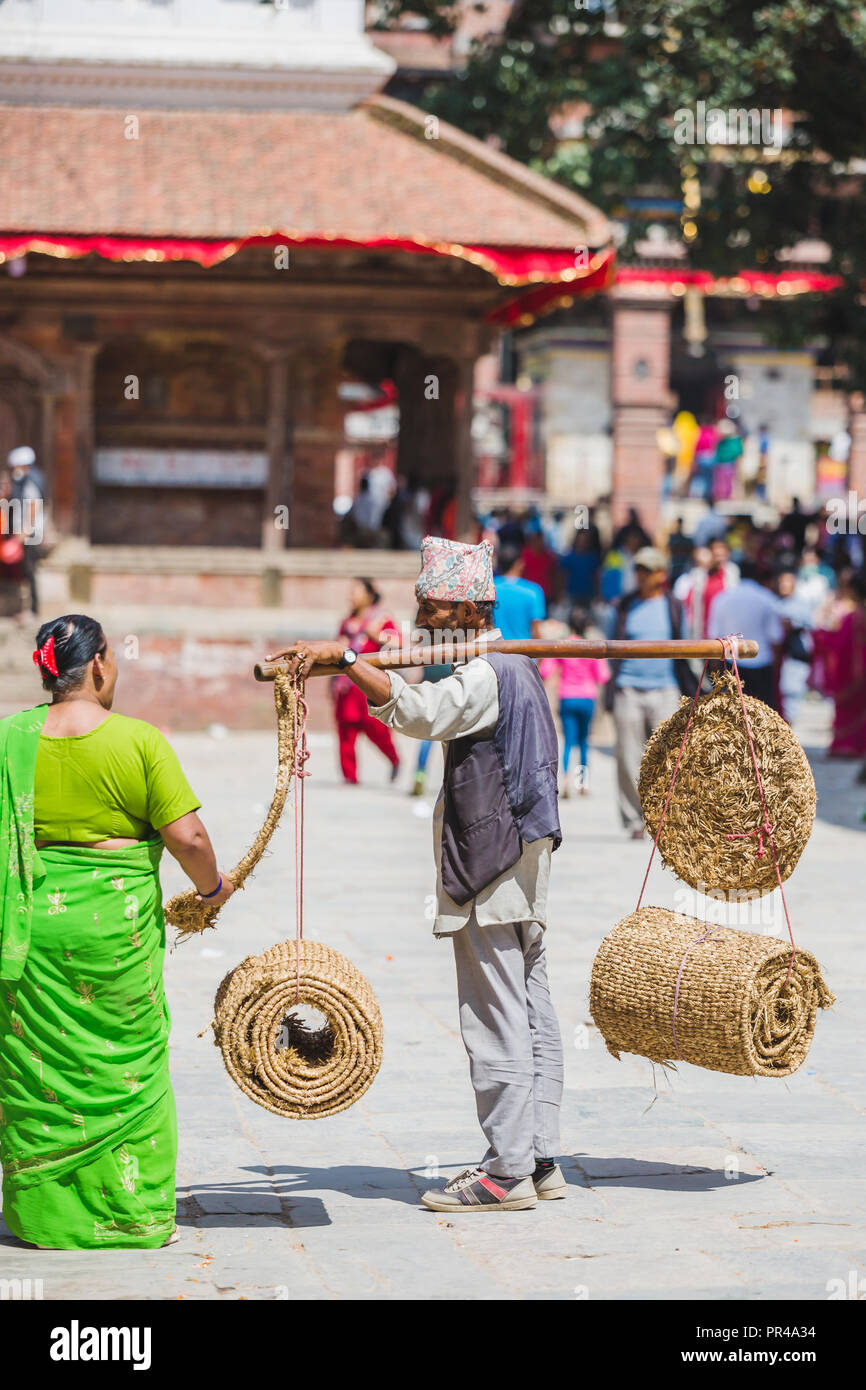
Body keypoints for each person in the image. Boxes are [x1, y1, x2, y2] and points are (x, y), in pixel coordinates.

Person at [268, 536, 565, 1214]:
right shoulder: (504, 666)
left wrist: (346, 661)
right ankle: (540, 1156)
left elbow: (421, 714)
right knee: (527, 1002)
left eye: (428, 607)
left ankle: (508, 1172)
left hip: (496, 859)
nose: (420, 618)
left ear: (460, 610)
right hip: (523, 855)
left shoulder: (491, 673)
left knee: (497, 1012)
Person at [0, 614, 233, 1250]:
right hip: (115, 938)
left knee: (37, 1069)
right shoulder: (138, 741)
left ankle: (45, 1219)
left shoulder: (11, 739)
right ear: (99, 664)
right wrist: (213, 891)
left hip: (33, 938)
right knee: (127, 1064)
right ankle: (130, 1215)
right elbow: (188, 837)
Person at [607, 548, 698, 837]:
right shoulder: (623, 606)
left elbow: (686, 645)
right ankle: (635, 819)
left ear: (661, 575)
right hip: (628, 688)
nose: (641, 575)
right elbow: (610, 646)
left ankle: (665, 817)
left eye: (647, 570)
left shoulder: (673, 606)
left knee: (669, 757)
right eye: (639, 569)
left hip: (665, 688)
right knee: (627, 756)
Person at [333, 578, 401, 785]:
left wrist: (377, 635)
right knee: (346, 733)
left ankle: (394, 759)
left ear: (369, 595)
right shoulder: (347, 623)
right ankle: (350, 777)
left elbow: (398, 642)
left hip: (370, 686)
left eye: (357, 591)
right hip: (346, 687)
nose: (352, 596)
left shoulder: (381, 618)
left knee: (377, 730)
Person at [539, 608, 610, 796]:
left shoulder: (563, 645)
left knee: (568, 741)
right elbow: (603, 676)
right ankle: (582, 783)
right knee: (584, 742)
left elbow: (545, 670)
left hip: (567, 697)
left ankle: (566, 781)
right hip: (587, 697)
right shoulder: (591, 646)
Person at [707, 560, 786, 708]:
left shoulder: (722, 598)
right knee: (763, 719)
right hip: (761, 663)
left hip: (731, 663)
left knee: (731, 718)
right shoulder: (767, 599)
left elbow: (713, 635)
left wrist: (714, 670)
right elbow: (776, 637)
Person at [811, 571, 866, 757]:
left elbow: (841, 644)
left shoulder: (853, 617)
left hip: (852, 667)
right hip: (858, 665)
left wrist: (823, 636)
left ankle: (848, 745)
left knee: (850, 706)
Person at [678, 537, 740, 639]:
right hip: (704, 634)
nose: (718, 555)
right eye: (714, 552)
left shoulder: (732, 573)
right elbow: (691, 606)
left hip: (727, 634)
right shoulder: (698, 576)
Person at [8, 446, 43, 617]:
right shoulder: (21, 483)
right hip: (25, 534)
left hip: (30, 535)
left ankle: (33, 610)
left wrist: (23, 533)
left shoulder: (31, 482)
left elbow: (33, 507)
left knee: (30, 570)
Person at [493, 543, 546, 640]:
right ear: (520, 564)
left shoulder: (489, 589)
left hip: (493, 652)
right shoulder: (533, 592)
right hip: (525, 653)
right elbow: (536, 631)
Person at [559, 528, 601, 605]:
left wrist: (597, 594)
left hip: (588, 594)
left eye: (585, 540)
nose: (582, 542)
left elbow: (596, 577)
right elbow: (563, 576)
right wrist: (561, 592)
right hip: (571, 594)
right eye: (580, 540)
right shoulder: (569, 557)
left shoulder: (592, 558)